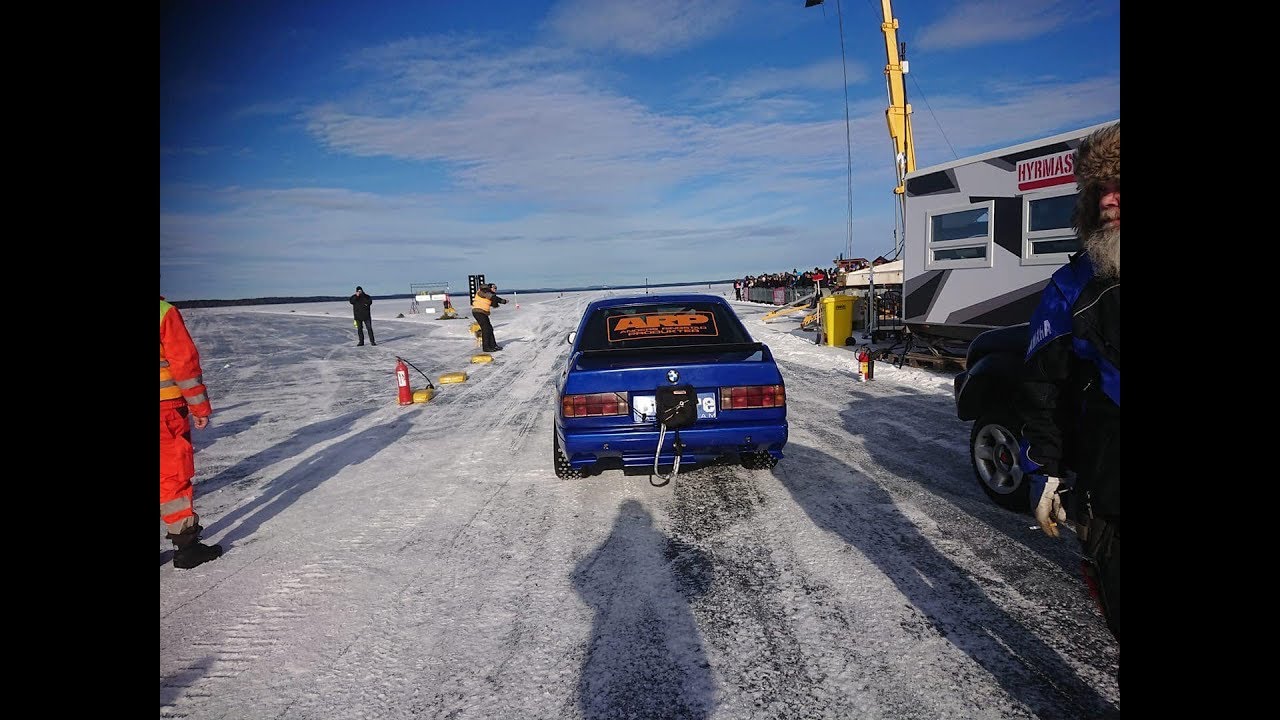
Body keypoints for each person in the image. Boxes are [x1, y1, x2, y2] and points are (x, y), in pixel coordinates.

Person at [1016, 122, 1120, 667]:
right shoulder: (1072, 288)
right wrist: (1045, 472)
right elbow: (1043, 390)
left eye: (1120, 183)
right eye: (1096, 188)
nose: (1107, 199)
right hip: (1112, 498)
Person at [160, 297, 224, 569]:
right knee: (173, 475)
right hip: (164, 409)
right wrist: (199, 406)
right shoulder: (163, 312)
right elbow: (183, 362)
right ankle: (186, 547)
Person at [471, 282, 509, 352]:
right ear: (490, 287)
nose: (495, 289)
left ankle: (493, 345)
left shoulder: (488, 294)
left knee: (490, 329)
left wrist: (496, 303)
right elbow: (492, 297)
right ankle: (486, 347)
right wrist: (502, 301)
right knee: (486, 329)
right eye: (494, 288)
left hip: (483, 313)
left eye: (496, 288)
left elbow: (493, 302)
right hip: (478, 312)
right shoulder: (483, 291)